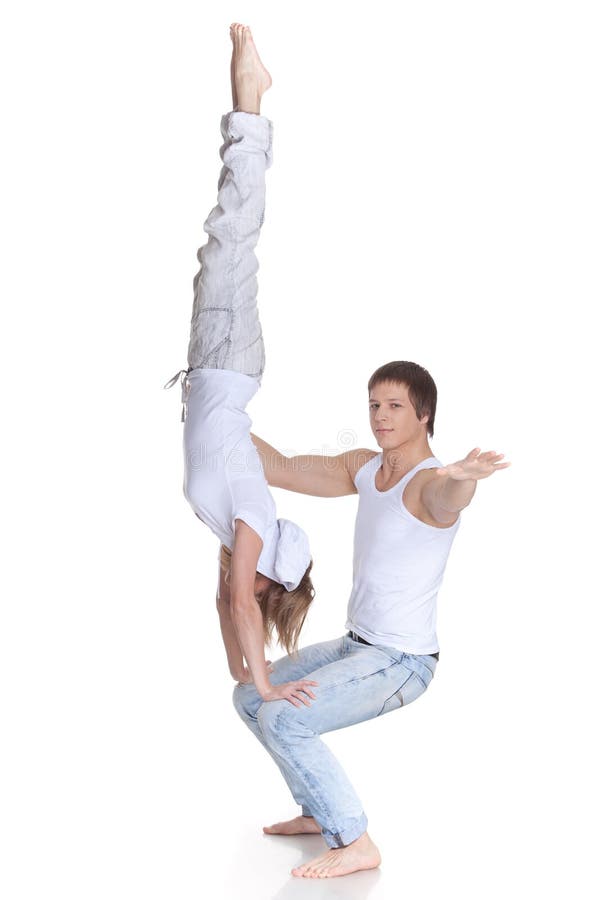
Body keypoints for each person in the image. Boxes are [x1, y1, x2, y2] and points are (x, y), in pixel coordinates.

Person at [225, 28, 510, 877]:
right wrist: (220, 420)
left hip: (401, 665)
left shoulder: (427, 483)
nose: (380, 416)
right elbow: (279, 468)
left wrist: (459, 477)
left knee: (283, 713)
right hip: (358, 644)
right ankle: (319, 813)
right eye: (374, 404)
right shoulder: (364, 470)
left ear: (423, 414)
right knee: (252, 693)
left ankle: (356, 840)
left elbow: (447, 506)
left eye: (394, 406)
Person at [164, 22, 317, 707]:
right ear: (271, 577)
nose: (244, 586)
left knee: (225, 237)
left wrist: (251, 677)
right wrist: (269, 684)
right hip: (226, 360)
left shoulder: (233, 529)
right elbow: (241, 602)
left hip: (214, 363)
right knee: (233, 231)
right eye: (258, 589)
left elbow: (231, 617)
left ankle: (249, 106)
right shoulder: (253, 515)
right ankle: (250, 104)